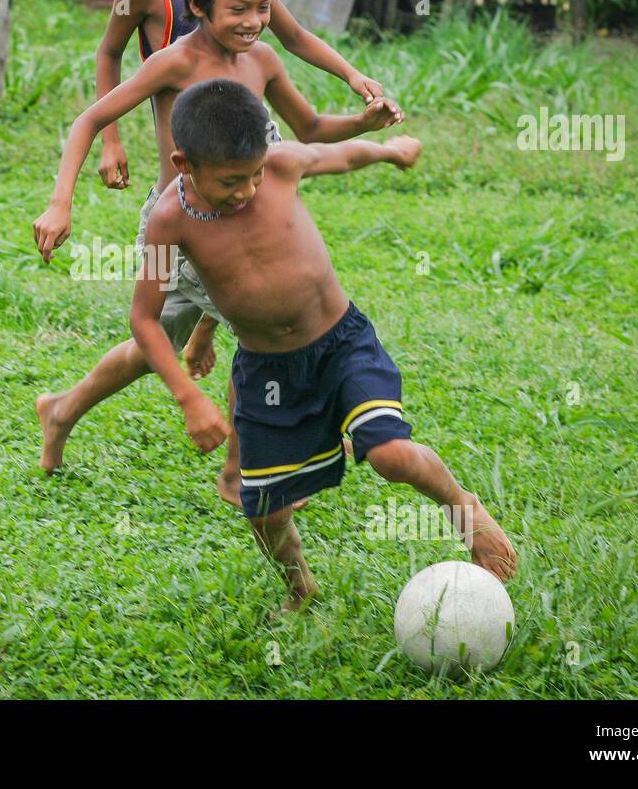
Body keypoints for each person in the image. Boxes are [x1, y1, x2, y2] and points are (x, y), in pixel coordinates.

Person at [34, 0, 405, 508]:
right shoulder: (173, 62)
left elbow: (308, 131)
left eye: (264, 7)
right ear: (200, 6)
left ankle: (63, 408)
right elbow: (87, 120)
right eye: (239, 9)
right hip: (180, 229)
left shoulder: (261, 60)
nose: (254, 20)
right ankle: (240, 472)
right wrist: (62, 200)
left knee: (154, 340)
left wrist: (363, 123)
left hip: (245, 218)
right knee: (254, 335)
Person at [131, 78, 517, 611]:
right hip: (266, 370)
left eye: (255, 173)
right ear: (183, 163)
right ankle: (300, 587)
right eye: (230, 182)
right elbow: (145, 319)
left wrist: (388, 151)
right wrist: (189, 397)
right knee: (262, 508)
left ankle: (467, 514)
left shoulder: (283, 166)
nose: (246, 192)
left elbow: (336, 154)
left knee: (391, 454)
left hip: (341, 344)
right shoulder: (167, 224)